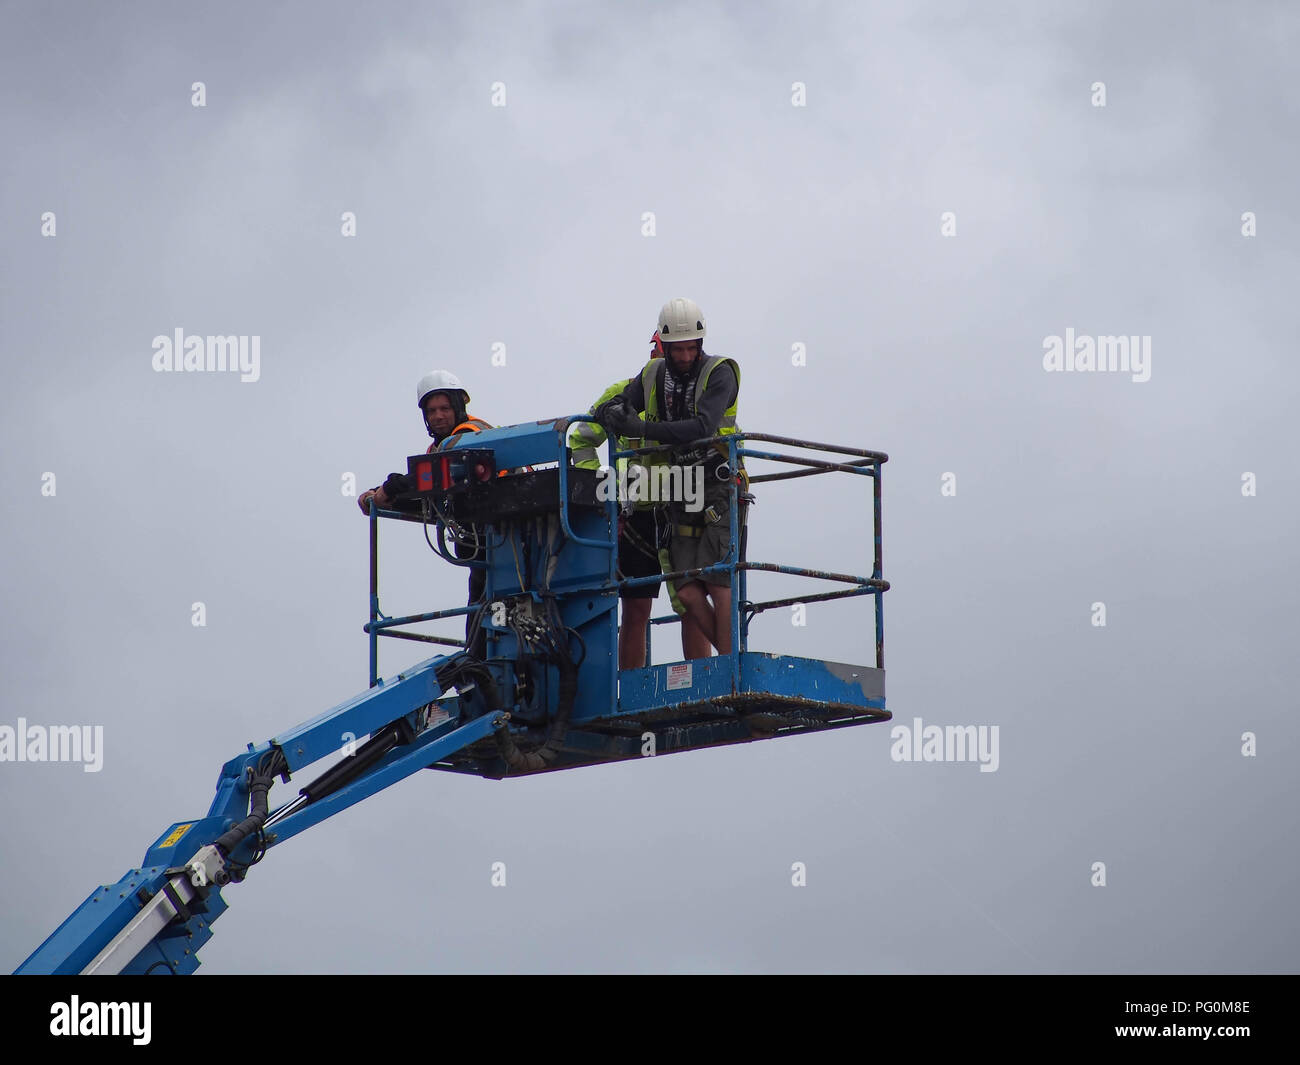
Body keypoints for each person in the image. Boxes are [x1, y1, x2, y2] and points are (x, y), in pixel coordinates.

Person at [595, 298, 745, 658]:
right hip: (680, 489)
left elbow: (702, 427)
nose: (685, 356)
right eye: (677, 349)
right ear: (665, 345)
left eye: (692, 348)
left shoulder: (719, 372)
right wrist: (612, 412)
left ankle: (730, 669)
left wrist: (640, 425)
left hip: (719, 484)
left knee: (718, 580)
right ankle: (732, 663)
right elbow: (614, 405)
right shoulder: (652, 375)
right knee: (687, 589)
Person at [570, 333, 710, 668]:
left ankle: (702, 683)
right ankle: (632, 687)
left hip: (680, 508)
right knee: (635, 607)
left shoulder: (693, 399)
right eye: (671, 353)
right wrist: (599, 489)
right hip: (634, 515)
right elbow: (581, 438)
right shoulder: (623, 393)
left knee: (692, 603)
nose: (681, 361)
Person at [358, 370, 492, 658]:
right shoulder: (439, 449)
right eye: (431, 411)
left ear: (458, 408)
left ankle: (480, 667)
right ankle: (478, 668)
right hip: (485, 552)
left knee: (488, 613)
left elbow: (434, 477)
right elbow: (430, 497)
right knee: (481, 610)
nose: (438, 416)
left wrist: (390, 488)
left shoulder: (469, 435)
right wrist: (383, 498)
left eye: (444, 408)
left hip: (506, 543)